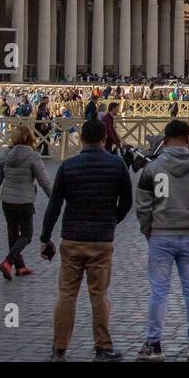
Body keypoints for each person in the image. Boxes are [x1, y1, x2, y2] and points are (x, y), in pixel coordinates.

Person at [39, 117, 133, 361]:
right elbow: (127, 201)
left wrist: (45, 236)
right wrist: (113, 221)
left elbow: (55, 204)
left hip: (71, 237)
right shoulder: (116, 164)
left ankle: (59, 348)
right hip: (101, 239)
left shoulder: (68, 166)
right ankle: (103, 346)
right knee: (99, 294)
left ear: (81, 139)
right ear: (104, 139)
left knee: (67, 294)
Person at [135, 119, 189, 361]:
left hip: (161, 233)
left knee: (159, 291)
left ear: (166, 139)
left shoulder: (153, 167)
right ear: (188, 138)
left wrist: (148, 230)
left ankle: (154, 343)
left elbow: (143, 206)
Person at [0, 123, 53, 280]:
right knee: (27, 235)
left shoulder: (4, 155)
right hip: (24, 200)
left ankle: (20, 266)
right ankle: (8, 262)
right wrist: (54, 198)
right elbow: (44, 181)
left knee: (13, 233)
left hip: (7, 200)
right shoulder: (33, 156)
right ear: (30, 138)